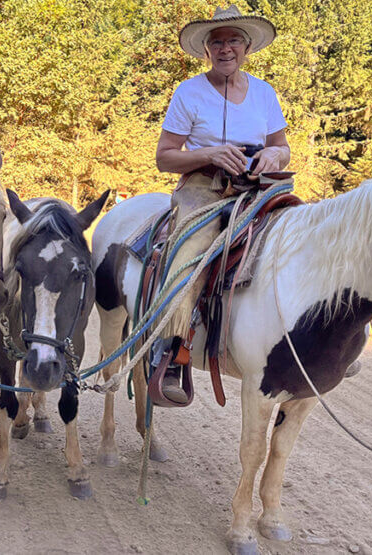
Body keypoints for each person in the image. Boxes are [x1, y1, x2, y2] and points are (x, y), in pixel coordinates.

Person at [152, 5, 290, 405]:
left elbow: (282, 146)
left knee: (305, 232)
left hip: (258, 187)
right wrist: (209, 154)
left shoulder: (264, 93)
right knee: (189, 253)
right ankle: (174, 350)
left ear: (246, 47)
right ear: (207, 49)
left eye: (233, 40)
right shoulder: (189, 93)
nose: (225, 47)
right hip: (203, 187)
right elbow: (164, 157)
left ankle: (325, 328)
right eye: (217, 41)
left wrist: (274, 158)